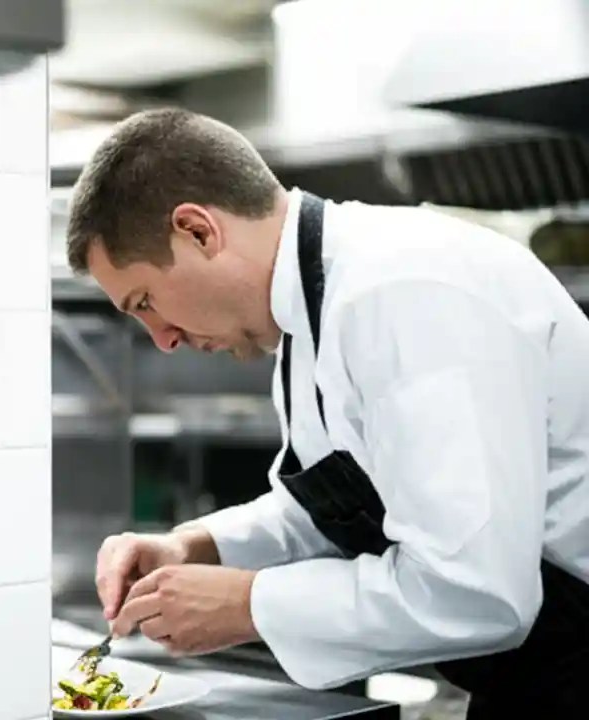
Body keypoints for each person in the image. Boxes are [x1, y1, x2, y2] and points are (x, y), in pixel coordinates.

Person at [66, 107, 589, 717]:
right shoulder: (308, 310)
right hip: (538, 675)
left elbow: (475, 593)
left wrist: (247, 604)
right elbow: (336, 509)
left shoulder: (407, 291)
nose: (162, 339)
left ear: (198, 231)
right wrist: (198, 546)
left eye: (147, 301)